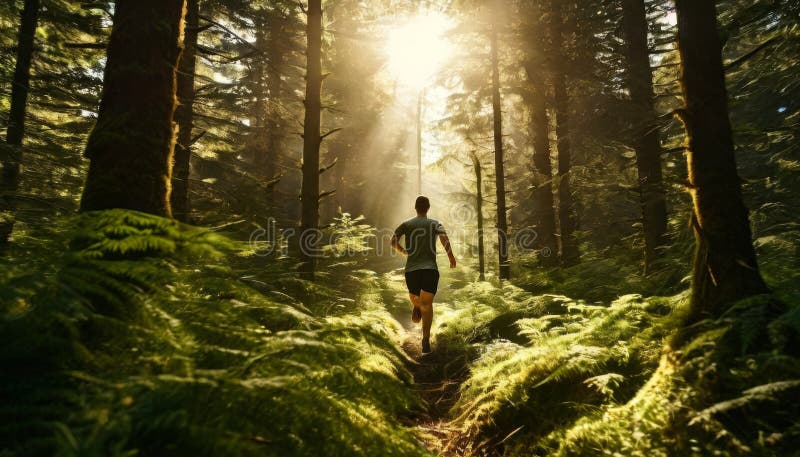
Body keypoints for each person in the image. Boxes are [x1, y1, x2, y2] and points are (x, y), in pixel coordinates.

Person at [391, 196, 456, 353]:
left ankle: (416, 305)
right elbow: (444, 238)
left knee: (416, 299)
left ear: (415, 208)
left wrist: (404, 252)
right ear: (428, 208)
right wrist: (451, 257)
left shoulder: (406, 224)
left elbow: (393, 241)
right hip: (430, 270)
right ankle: (425, 339)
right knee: (427, 305)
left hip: (412, 270)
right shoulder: (436, 223)